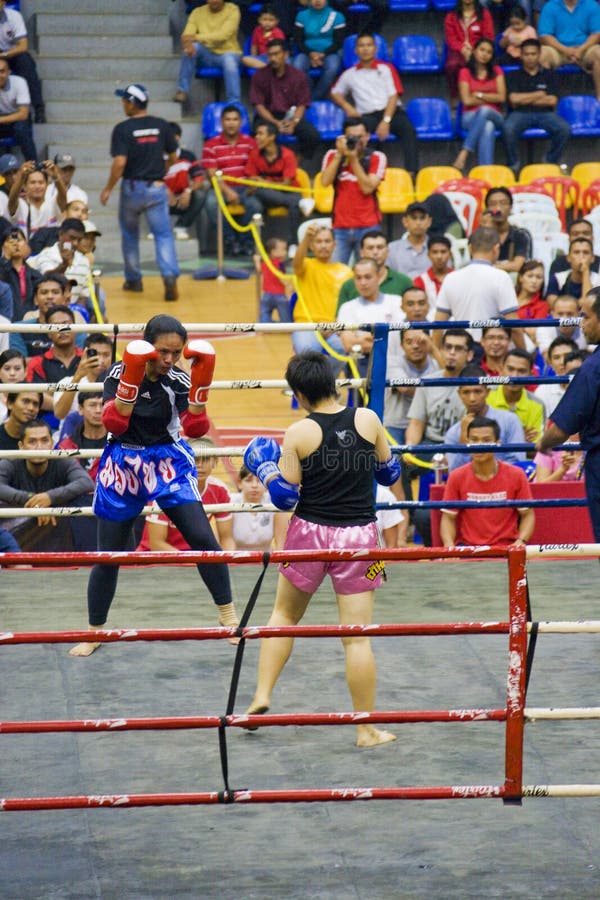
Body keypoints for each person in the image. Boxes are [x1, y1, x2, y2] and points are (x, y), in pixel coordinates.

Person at [243, 350, 400, 747]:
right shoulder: (367, 419)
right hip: (360, 540)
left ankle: (261, 696)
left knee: (283, 614)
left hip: (309, 534)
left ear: (299, 393)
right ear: (334, 382)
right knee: (357, 637)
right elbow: (391, 471)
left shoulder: (298, 433)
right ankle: (366, 730)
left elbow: (283, 497)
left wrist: (265, 469)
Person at [69, 314, 238, 657]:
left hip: (167, 462)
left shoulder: (177, 379)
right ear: (147, 347)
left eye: (176, 353)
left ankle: (229, 619)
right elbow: (114, 420)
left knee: (203, 538)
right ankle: (95, 631)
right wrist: (133, 379)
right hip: (123, 463)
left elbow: (194, 428)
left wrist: (199, 396)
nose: (170, 360)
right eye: (163, 352)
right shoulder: (117, 374)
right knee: (110, 555)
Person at [100, 84, 180, 302]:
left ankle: (134, 279)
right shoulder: (162, 125)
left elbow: (119, 162)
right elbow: (173, 156)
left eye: (125, 101)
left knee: (130, 235)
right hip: (156, 187)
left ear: (133, 103)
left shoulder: (123, 129)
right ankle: (169, 276)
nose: (123, 104)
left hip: (132, 188)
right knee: (163, 235)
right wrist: (161, 173)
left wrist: (108, 187)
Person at [536, 288, 600, 538]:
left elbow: (563, 426)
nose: (580, 324)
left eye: (585, 317)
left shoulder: (592, 368)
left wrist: (543, 443)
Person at [330, 31, 419, 177]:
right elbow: (335, 92)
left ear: (375, 48)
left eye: (369, 45)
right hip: (367, 116)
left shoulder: (386, 68)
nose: (365, 49)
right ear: (356, 50)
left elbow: (393, 95)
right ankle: (359, 173)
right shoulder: (350, 73)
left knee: (409, 130)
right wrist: (348, 107)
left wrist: (386, 121)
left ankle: (412, 174)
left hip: (391, 113)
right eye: (361, 46)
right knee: (356, 134)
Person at [440, 416, 535, 546]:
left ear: (498, 443)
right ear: (467, 442)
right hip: (468, 552)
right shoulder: (457, 476)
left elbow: (528, 515)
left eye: (486, 440)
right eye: (474, 440)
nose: (479, 445)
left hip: (506, 550)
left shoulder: (516, 475)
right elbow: (448, 518)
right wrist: (449, 545)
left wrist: (521, 541)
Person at [137, 436, 235, 552]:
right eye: (195, 459)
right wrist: (192, 562)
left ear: (215, 462)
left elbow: (227, 539)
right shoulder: (166, 490)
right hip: (154, 559)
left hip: (194, 557)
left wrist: (229, 560)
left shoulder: (220, 490)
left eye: (206, 459)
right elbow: (157, 544)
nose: (199, 465)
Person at [433, 226, 525, 349]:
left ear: (470, 248)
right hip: (491, 352)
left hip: (461, 352)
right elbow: (514, 327)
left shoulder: (451, 278)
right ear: (496, 249)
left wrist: (438, 357)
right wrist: (525, 356)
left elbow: (437, 327)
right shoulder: (501, 277)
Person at [0, 418, 94, 531]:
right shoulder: (11, 462)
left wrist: (50, 497)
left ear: (52, 443)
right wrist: (33, 500)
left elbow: (86, 482)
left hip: (59, 532)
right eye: (32, 442)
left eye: (44, 440)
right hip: (15, 534)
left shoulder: (62, 460)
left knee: (85, 500)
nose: (39, 447)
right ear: (21, 446)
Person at [320, 116, 387, 265]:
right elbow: (324, 182)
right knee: (335, 275)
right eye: (351, 137)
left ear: (368, 137)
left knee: (368, 273)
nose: (356, 141)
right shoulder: (332, 155)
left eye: (360, 137)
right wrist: (339, 155)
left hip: (368, 226)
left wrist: (354, 159)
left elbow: (367, 188)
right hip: (340, 227)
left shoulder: (376, 157)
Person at [200, 103, 259, 258]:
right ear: (221, 122)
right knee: (211, 204)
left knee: (256, 205)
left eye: (235, 119)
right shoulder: (211, 145)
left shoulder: (250, 143)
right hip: (221, 188)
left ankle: (246, 242)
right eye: (227, 120)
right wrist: (227, 191)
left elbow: (254, 168)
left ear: (241, 122)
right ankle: (230, 241)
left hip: (245, 188)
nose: (231, 123)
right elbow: (213, 174)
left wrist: (252, 183)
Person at [443, 364, 526, 471]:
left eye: (477, 391)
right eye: (466, 392)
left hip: (505, 484)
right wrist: (463, 441)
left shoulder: (510, 421)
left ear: (487, 392)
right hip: (469, 487)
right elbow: (454, 473)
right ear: (459, 394)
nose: (472, 398)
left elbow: (518, 463)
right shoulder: (453, 433)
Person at [504, 38, 571, 172]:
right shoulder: (513, 75)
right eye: (526, 54)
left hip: (546, 113)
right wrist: (538, 94)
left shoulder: (550, 75)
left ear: (539, 54)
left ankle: (549, 161)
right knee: (508, 128)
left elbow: (552, 101)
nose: (530, 58)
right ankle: (513, 166)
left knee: (564, 129)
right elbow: (513, 100)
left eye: (533, 54)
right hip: (520, 114)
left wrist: (524, 98)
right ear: (521, 55)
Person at [249, 39, 320, 160]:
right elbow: (259, 106)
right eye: (270, 55)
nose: (273, 58)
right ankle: (264, 167)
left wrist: (294, 122)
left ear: (286, 55)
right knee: (259, 134)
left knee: (312, 135)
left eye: (277, 54)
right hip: (268, 117)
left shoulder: (298, 76)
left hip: (290, 116)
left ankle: (295, 164)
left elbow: (302, 104)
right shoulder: (259, 75)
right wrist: (276, 123)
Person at [291, 222, 351, 365]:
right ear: (311, 246)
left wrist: (335, 325)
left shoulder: (346, 271)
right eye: (318, 242)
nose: (323, 245)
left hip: (335, 328)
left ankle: (326, 384)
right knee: (309, 354)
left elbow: (350, 304)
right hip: (307, 326)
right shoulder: (306, 265)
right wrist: (306, 238)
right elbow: (296, 263)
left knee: (348, 349)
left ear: (334, 245)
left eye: (327, 241)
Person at [337, 256, 404, 375]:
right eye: (358, 278)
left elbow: (400, 339)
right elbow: (349, 345)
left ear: (378, 277)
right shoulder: (347, 308)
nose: (363, 283)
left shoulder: (397, 302)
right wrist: (384, 339)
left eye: (368, 277)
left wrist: (364, 339)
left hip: (397, 361)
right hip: (363, 364)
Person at [244, 120, 302, 246]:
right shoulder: (254, 154)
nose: (256, 137)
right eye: (256, 134)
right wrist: (256, 184)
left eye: (260, 134)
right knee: (258, 195)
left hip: (288, 192)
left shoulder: (287, 155)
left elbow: (286, 185)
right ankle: (254, 245)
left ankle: (293, 244)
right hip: (267, 195)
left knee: (294, 206)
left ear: (271, 137)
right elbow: (251, 181)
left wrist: (262, 182)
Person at [452, 38, 507, 171]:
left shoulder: (497, 71)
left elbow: (502, 97)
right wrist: (491, 98)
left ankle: (464, 152)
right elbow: (466, 101)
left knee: (485, 110)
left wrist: (480, 95)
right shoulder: (464, 72)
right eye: (482, 50)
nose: (485, 54)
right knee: (488, 126)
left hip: (496, 115)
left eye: (489, 52)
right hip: (469, 116)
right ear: (474, 51)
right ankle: (486, 171)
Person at [174, 0, 242, 106]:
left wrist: (196, 37)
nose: (213, 0)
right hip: (206, 54)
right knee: (190, 50)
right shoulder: (197, 12)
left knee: (230, 62)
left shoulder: (233, 10)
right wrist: (188, 45)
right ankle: (182, 90)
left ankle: (234, 103)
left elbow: (223, 36)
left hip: (229, 53)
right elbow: (187, 35)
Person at [385, 327, 439, 445]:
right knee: (392, 461)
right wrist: (435, 390)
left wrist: (433, 349)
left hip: (428, 427)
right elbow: (405, 388)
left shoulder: (437, 365)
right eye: (409, 342)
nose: (415, 346)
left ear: (429, 342)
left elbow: (452, 378)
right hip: (395, 426)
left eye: (421, 342)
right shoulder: (392, 362)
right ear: (401, 345)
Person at [336, 229, 413, 312]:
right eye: (370, 248)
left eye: (380, 247)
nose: (375, 252)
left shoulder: (404, 282)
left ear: (387, 251)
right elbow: (341, 320)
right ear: (361, 252)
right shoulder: (349, 286)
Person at [538, 0, 600, 101]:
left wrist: (581, 49)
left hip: (585, 48)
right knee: (542, 55)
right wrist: (565, 50)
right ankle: (546, 100)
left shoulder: (591, 5)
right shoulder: (550, 6)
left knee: (599, 53)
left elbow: (597, 33)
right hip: (558, 49)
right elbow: (545, 35)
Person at [27, 218, 91, 311]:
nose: (75, 243)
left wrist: (76, 313)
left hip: (73, 313)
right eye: (72, 238)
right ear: (61, 235)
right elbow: (48, 278)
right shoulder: (46, 255)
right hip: (45, 311)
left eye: (79, 239)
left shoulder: (84, 261)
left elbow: (84, 296)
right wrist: (64, 264)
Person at [487, 347, 546, 443]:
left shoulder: (538, 404)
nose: (514, 376)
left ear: (531, 374)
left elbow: (536, 449)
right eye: (510, 369)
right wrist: (519, 438)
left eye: (521, 371)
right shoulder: (486, 396)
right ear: (501, 369)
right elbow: (480, 443)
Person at [0, 0, 45, 122]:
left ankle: (38, 108)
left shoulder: (14, 16)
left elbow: (23, 46)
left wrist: (4, 54)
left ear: (3, 3)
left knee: (25, 62)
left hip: (10, 52)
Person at [444, 0, 495, 104]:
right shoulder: (451, 16)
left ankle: (481, 96)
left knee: (484, 62)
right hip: (458, 51)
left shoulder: (484, 14)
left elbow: (488, 36)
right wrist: (462, 49)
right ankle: (455, 96)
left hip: (479, 49)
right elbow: (451, 39)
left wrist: (475, 49)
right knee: (452, 65)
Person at [292, 0, 345, 100]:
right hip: (306, 51)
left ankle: (314, 97)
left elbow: (338, 42)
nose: (317, 1)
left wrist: (323, 54)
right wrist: (310, 53)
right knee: (297, 65)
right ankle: (309, 92)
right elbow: (298, 41)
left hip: (330, 52)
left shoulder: (337, 16)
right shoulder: (301, 15)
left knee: (333, 67)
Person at [230, 464, 289, 550]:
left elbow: (281, 543)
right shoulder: (230, 503)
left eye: (259, 481)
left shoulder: (275, 502)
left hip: (267, 561)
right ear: (239, 483)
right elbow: (225, 541)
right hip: (237, 560)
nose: (254, 485)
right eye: (248, 480)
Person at [164, 122, 205, 246]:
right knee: (151, 192)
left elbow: (200, 180)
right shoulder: (155, 157)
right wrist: (165, 191)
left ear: (178, 137)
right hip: (163, 198)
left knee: (200, 195)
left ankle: (181, 227)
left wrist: (188, 191)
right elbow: (149, 181)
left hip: (183, 199)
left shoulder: (188, 156)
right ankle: (158, 227)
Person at [8, 160, 67, 239]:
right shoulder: (21, 205)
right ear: (25, 186)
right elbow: (12, 199)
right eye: (33, 182)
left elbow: (63, 196)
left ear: (47, 185)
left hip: (50, 249)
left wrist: (56, 176)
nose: (37, 186)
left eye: (41, 182)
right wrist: (21, 176)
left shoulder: (52, 203)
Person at [55, 392, 107, 481]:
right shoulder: (65, 446)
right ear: (80, 409)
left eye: (103, 405)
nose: (98, 410)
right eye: (92, 405)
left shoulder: (118, 444)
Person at [482, 186, 532, 275]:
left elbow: (517, 266)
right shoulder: (479, 236)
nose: (498, 209)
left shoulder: (520, 235)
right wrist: (487, 231)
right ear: (487, 209)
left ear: (510, 207)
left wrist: (491, 267)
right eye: (493, 204)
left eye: (503, 203)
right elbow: (479, 264)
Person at [0, 227, 42, 321]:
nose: (15, 244)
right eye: (10, 241)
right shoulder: (2, 270)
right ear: (3, 246)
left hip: (28, 324)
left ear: (26, 244)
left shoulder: (35, 275)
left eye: (19, 240)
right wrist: (6, 259)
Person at [0, 57, 37, 163]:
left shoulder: (19, 82)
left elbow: (23, 114)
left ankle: (34, 168)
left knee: (21, 130)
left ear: (9, 73)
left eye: (2, 71)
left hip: (18, 119)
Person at [545, 238, 600, 306]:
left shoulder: (598, 280)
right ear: (569, 258)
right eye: (576, 252)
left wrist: (585, 272)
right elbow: (553, 305)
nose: (581, 256)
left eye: (585, 252)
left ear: (592, 258)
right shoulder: (557, 278)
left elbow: (588, 306)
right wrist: (579, 304)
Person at [387, 202, 432, 281]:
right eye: (414, 218)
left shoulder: (437, 248)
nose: (418, 223)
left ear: (429, 221)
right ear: (405, 221)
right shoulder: (392, 249)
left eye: (422, 218)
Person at [534, 334, 578, 415]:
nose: (562, 362)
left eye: (567, 355)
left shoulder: (591, 385)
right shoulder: (542, 391)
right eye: (557, 357)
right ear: (550, 363)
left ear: (578, 358)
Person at [536, 294, 588, 361]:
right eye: (560, 314)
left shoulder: (587, 326)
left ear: (578, 314)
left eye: (570, 314)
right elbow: (548, 358)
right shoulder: (544, 328)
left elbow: (593, 355)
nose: (565, 318)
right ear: (552, 314)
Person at [413, 235, 453, 316]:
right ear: (428, 254)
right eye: (435, 252)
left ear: (450, 254)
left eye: (443, 252)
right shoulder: (420, 281)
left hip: (456, 325)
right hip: (429, 325)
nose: (439, 256)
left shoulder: (458, 278)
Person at [256, 236, 290, 323]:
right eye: (283, 249)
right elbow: (281, 277)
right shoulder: (281, 263)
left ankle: (265, 324)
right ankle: (285, 324)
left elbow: (259, 269)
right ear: (273, 252)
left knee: (265, 311)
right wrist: (288, 285)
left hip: (267, 295)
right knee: (284, 314)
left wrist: (256, 260)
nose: (285, 252)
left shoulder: (266, 262)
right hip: (279, 295)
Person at [242, 5, 286, 70]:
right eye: (264, 19)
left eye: (271, 20)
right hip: (262, 58)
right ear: (259, 20)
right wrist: (254, 57)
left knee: (286, 62)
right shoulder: (257, 30)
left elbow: (281, 50)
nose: (267, 23)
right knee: (245, 59)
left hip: (275, 57)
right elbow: (254, 46)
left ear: (277, 21)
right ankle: (268, 68)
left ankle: (270, 68)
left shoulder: (278, 32)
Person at [0, 348, 25, 422]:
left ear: (25, 372)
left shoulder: (33, 395)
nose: (12, 373)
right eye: (7, 369)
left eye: (17, 369)